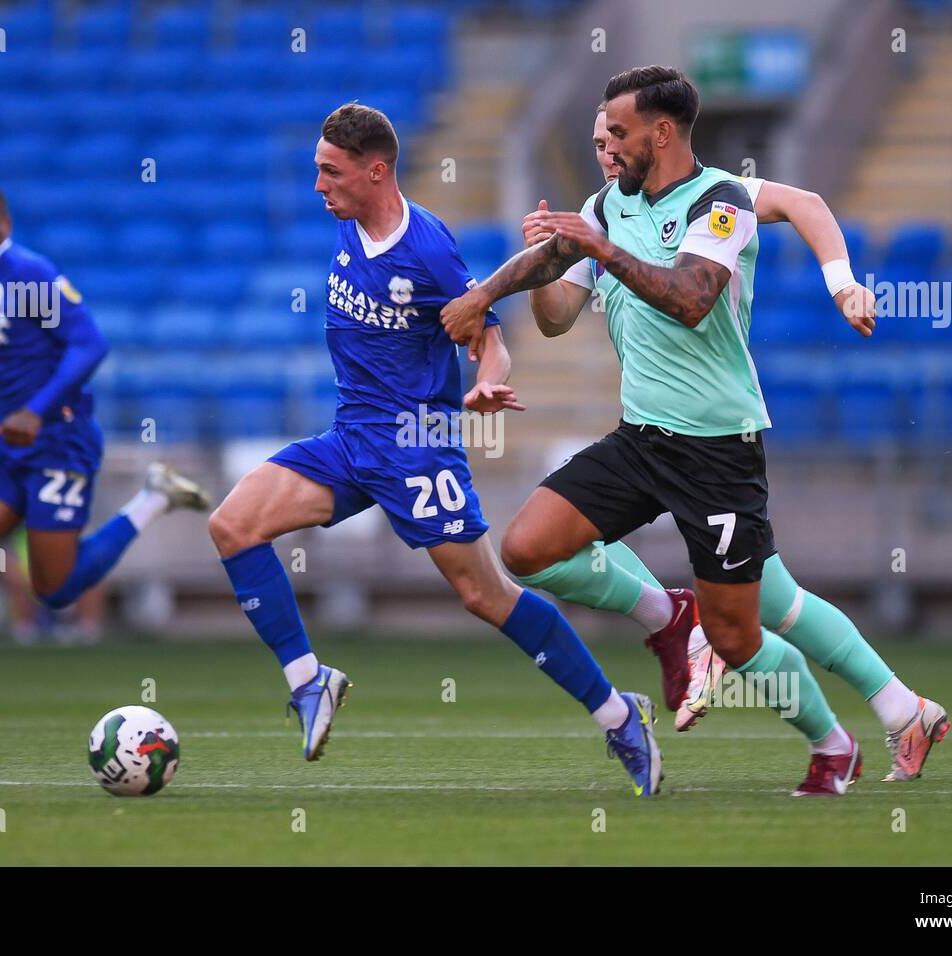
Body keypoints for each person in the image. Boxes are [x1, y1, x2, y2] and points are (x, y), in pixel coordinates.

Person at [443, 67, 948, 794]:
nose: (603, 150)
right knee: (526, 547)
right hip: (643, 440)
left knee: (746, 631)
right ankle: (671, 615)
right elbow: (554, 316)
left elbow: (691, 300)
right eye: (596, 137)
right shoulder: (607, 206)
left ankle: (847, 738)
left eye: (614, 135)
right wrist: (494, 289)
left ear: (662, 132)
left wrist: (841, 281)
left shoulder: (720, 201)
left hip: (717, 453)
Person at [207, 104, 666, 797]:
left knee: (485, 595)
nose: (318, 186)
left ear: (376, 171)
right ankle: (309, 682)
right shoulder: (346, 224)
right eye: (316, 171)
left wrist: (485, 383)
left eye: (330, 172)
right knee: (232, 525)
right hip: (351, 437)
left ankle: (618, 714)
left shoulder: (427, 248)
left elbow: (490, 334)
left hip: (415, 449)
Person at [0, 183, 209, 730]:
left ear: (4, 225)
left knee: (54, 587)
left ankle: (153, 498)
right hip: (5, 441)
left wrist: (36, 409)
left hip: (59, 435)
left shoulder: (30, 274)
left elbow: (90, 344)